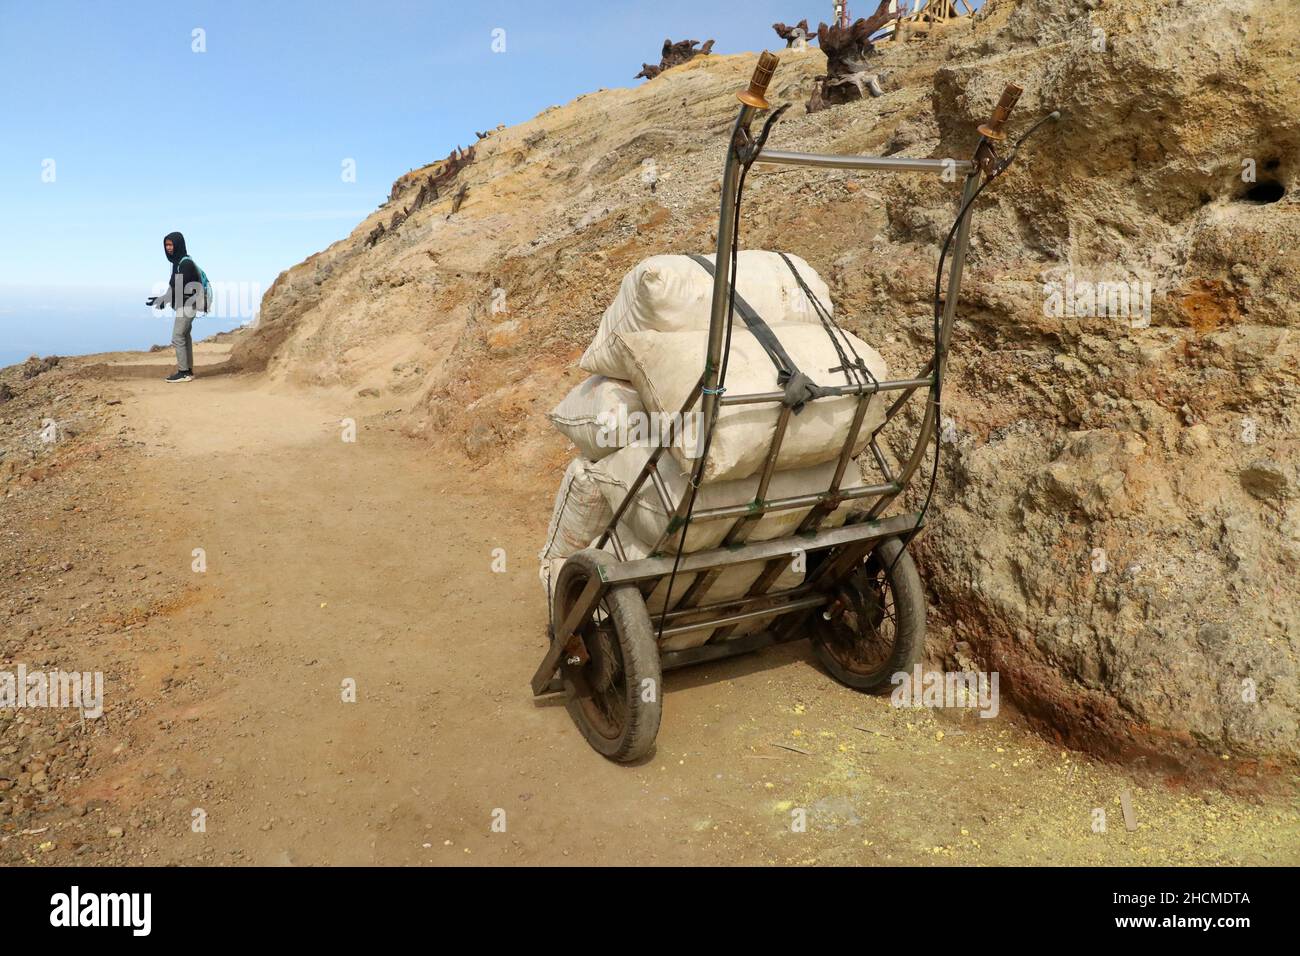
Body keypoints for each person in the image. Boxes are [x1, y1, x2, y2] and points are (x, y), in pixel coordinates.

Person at [145, 231, 201, 382]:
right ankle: (188, 370)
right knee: (184, 337)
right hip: (184, 305)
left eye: (171, 244)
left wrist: (165, 299)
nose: (168, 248)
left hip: (188, 305)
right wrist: (161, 299)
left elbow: (179, 286)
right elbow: (172, 287)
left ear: (178, 244)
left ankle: (183, 372)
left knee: (177, 337)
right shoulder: (178, 263)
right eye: (166, 245)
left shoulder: (186, 264)